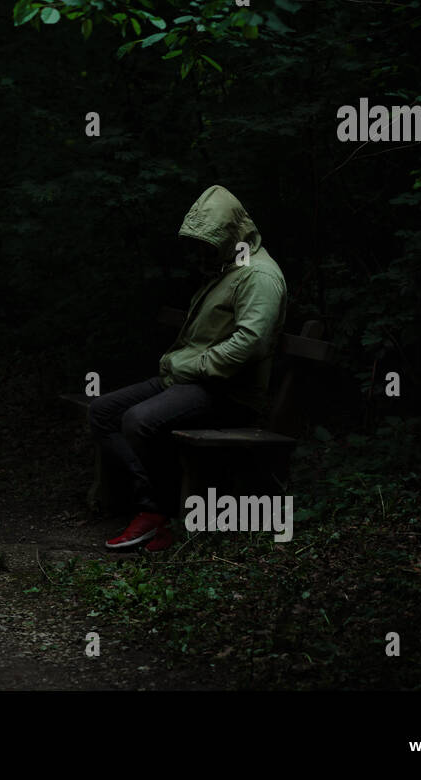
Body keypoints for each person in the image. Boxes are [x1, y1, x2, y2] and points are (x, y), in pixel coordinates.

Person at [89, 185, 287, 552]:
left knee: (138, 420)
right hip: (189, 379)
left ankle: (156, 514)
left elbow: (251, 342)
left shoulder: (259, 276)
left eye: (208, 243)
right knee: (102, 412)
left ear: (232, 234)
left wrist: (195, 365)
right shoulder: (229, 267)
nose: (200, 252)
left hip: (228, 392)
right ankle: (146, 506)